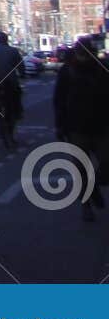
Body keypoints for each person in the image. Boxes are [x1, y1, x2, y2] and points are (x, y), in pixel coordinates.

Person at [54, 40, 109, 221]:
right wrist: (60, 125)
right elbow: (59, 100)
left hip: (100, 126)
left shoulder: (102, 69)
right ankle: (86, 205)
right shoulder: (67, 71)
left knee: (105, 165)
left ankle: (93, 189)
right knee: (80, 168)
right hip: (78, 127)